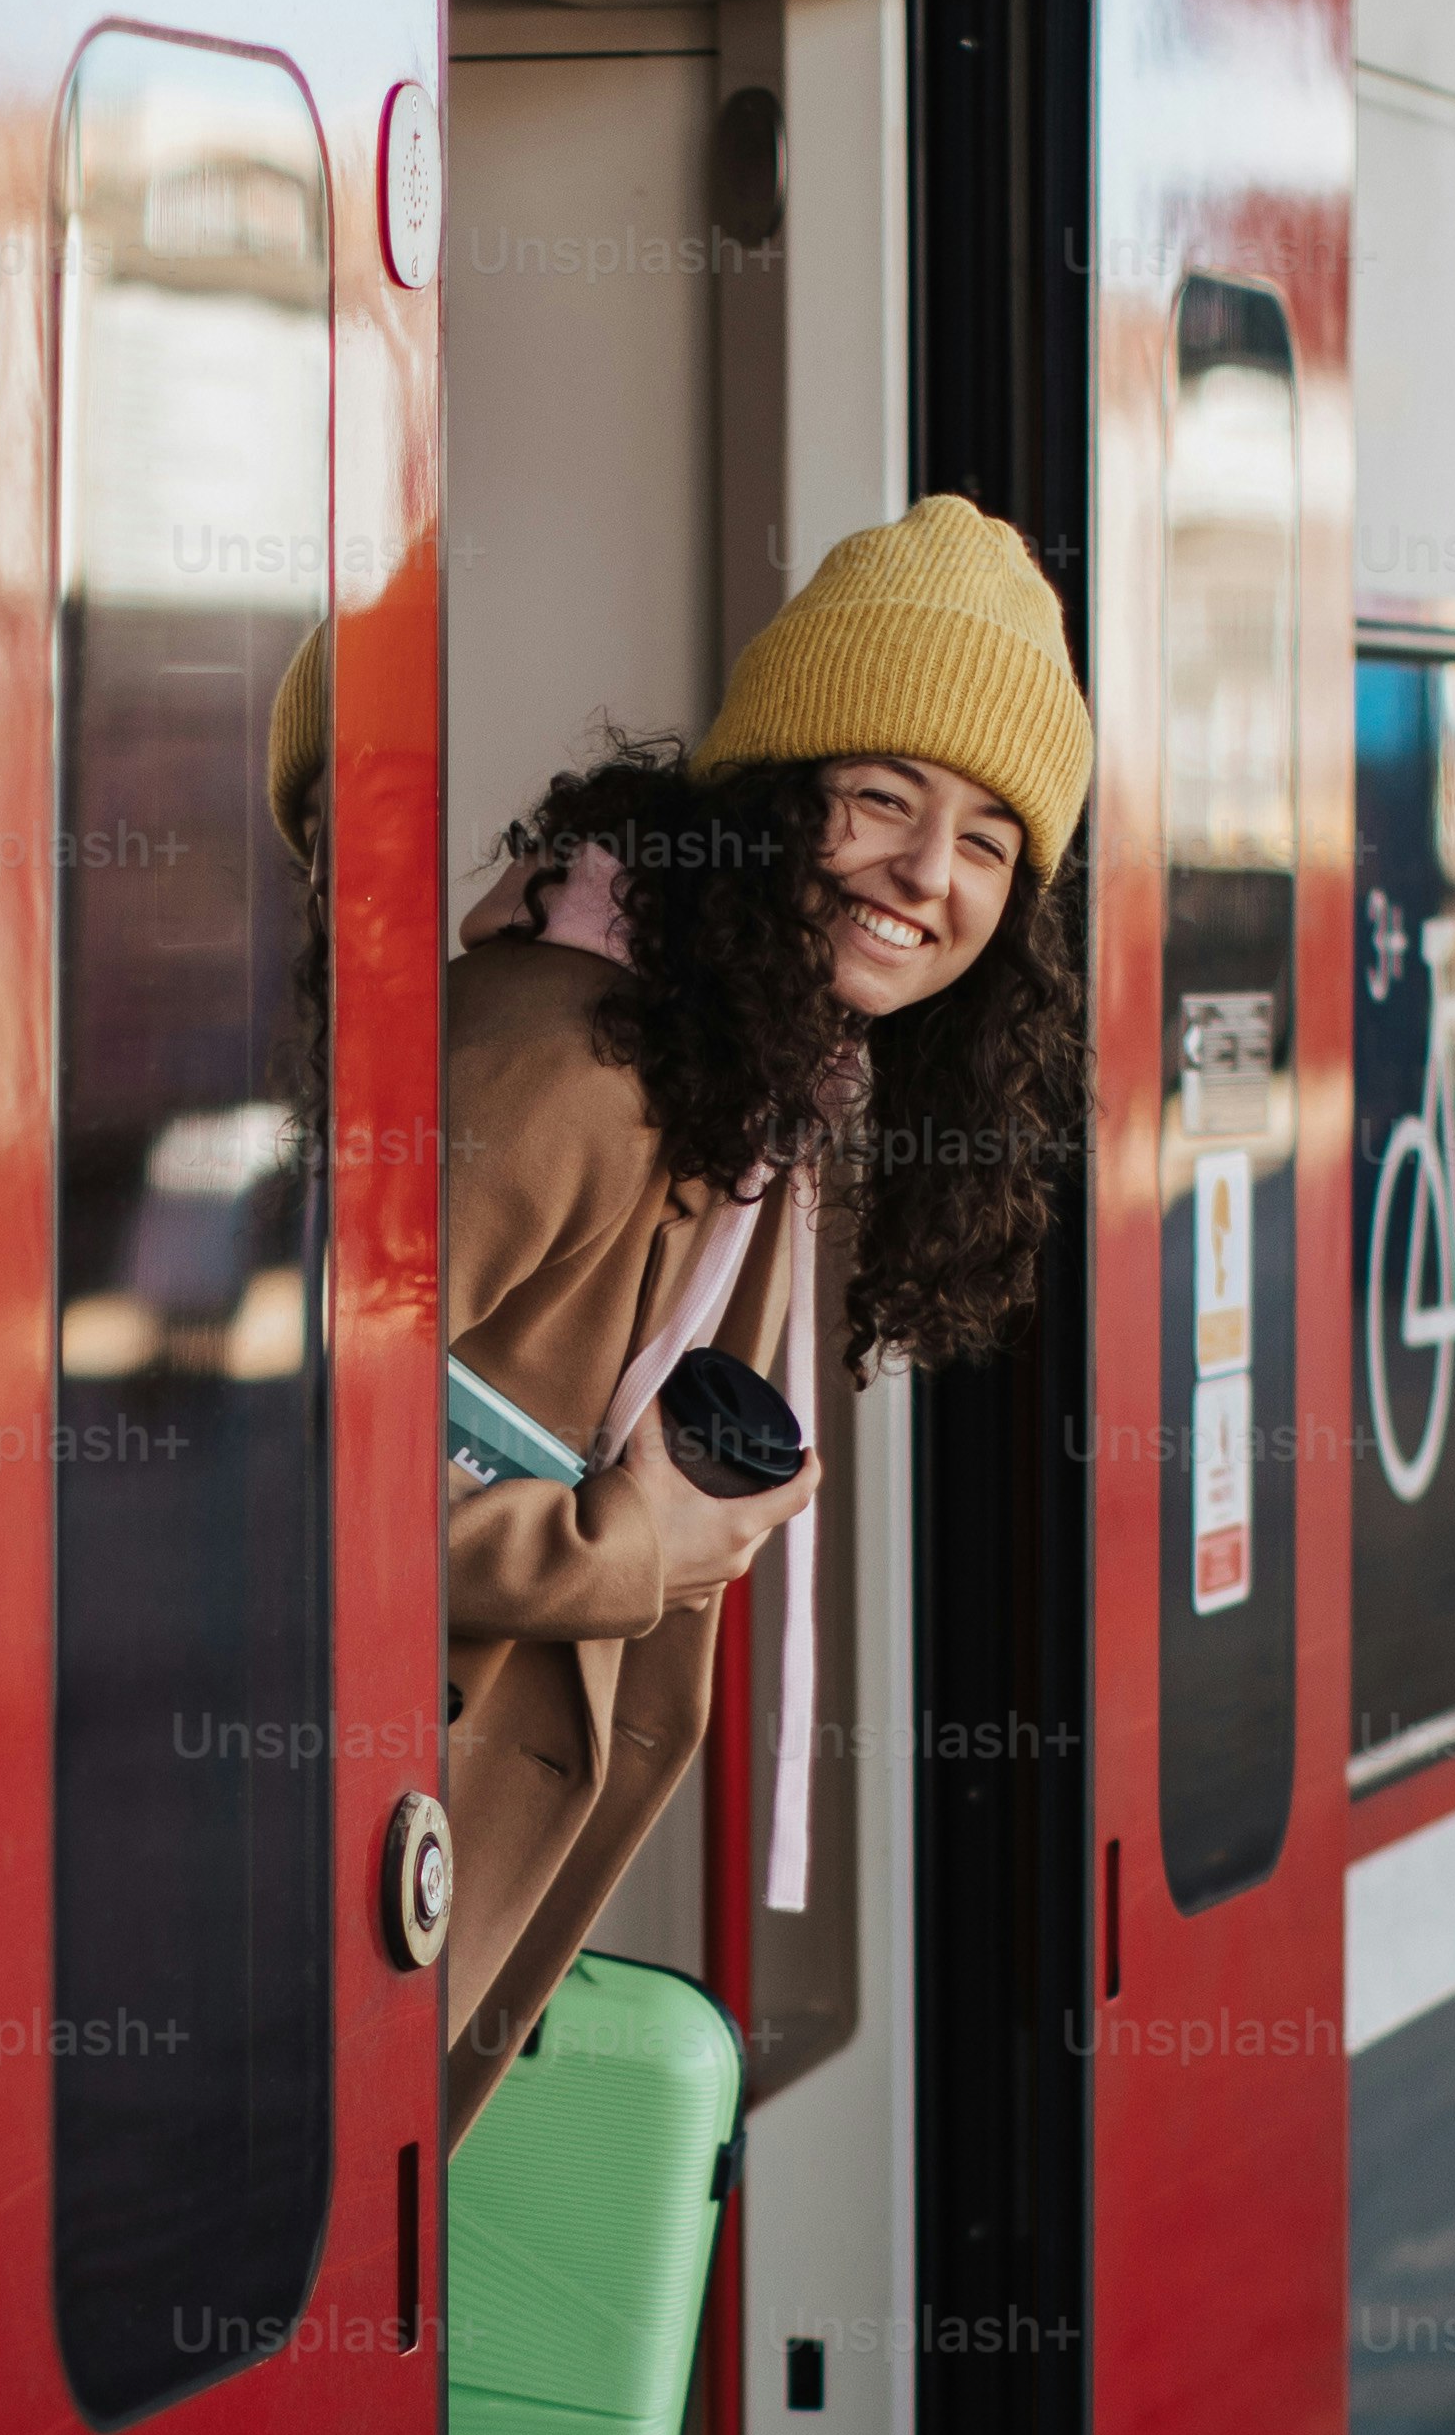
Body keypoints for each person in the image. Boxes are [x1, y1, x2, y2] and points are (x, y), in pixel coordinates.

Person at [430, 493, 1095, 2147]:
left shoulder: (761, 1088)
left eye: (991, 842)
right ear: (766, 802)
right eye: (881, 797)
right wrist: (622, 1551)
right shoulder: (566, 1065)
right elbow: (267, 1458)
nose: (928, 877)